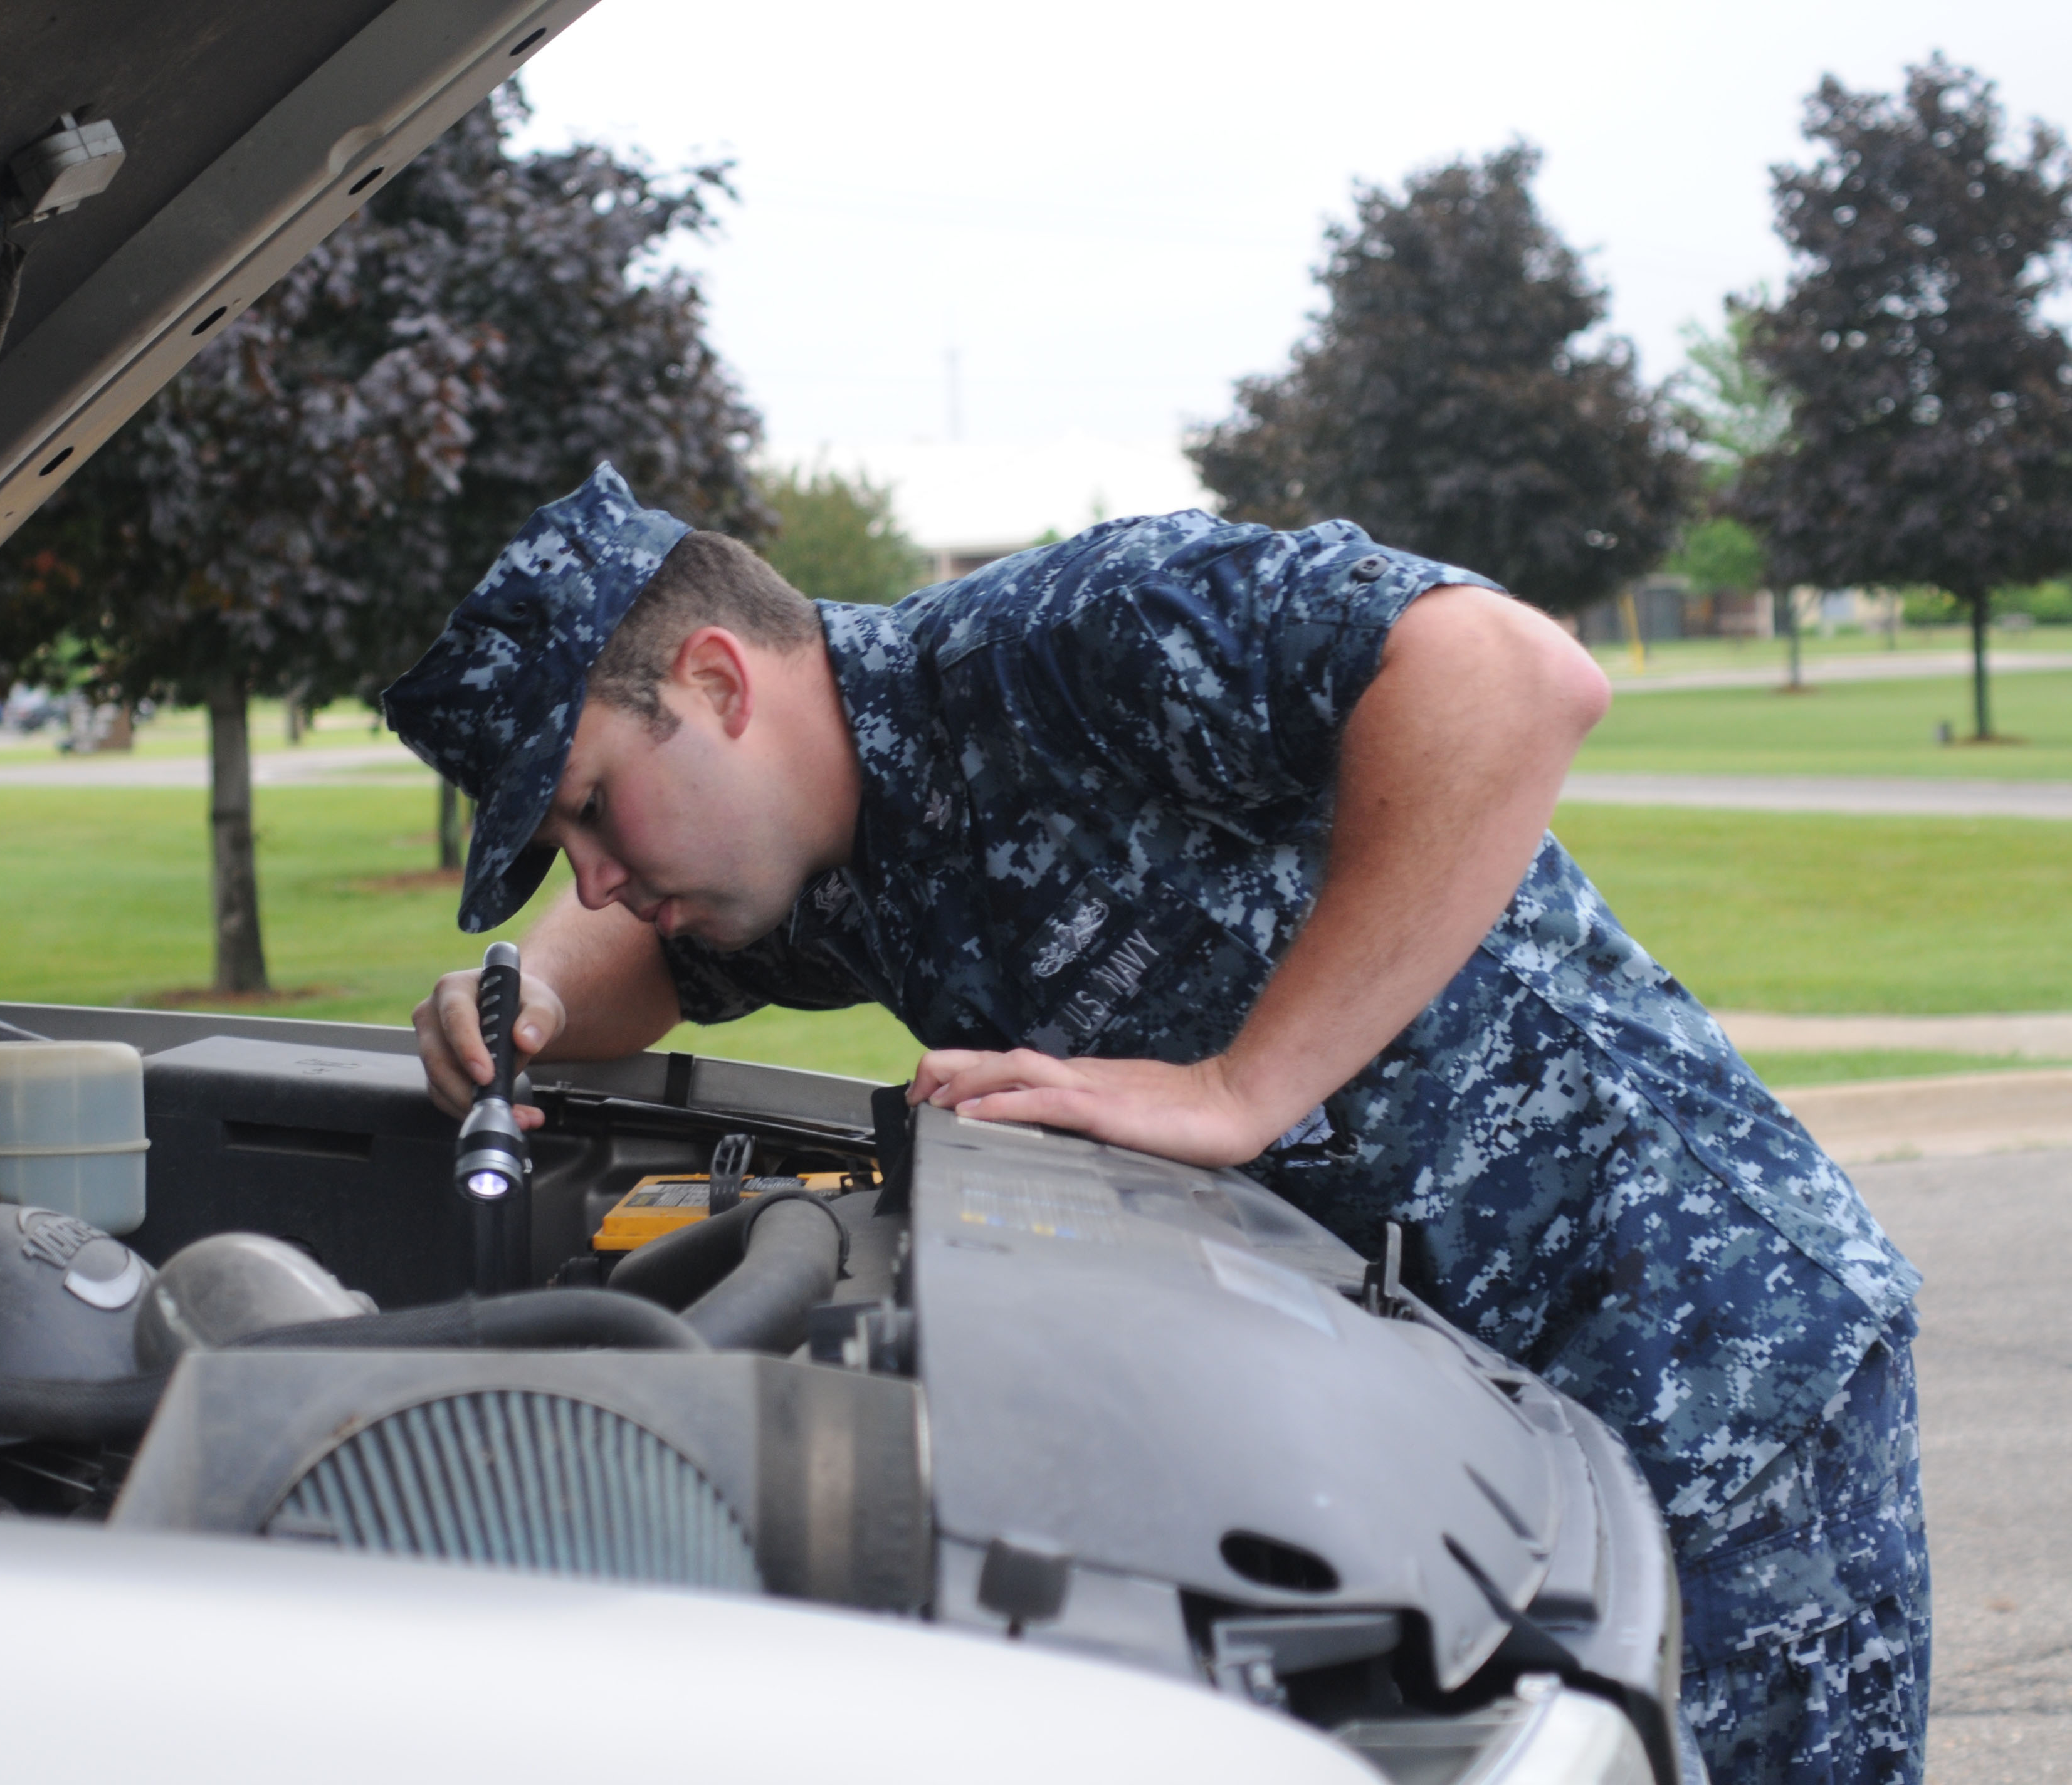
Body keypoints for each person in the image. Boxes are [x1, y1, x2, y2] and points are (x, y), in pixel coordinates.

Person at [381, 463, 1927, 1784]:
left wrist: (1240, 1086)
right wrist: (511, 995)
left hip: (1702, 1356)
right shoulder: (840, 865)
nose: (589, 872)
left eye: (587, 805)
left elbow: (1510, 676)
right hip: (1485, 1457)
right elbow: (644, 952)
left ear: (718, 684)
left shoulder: (1066, 638)